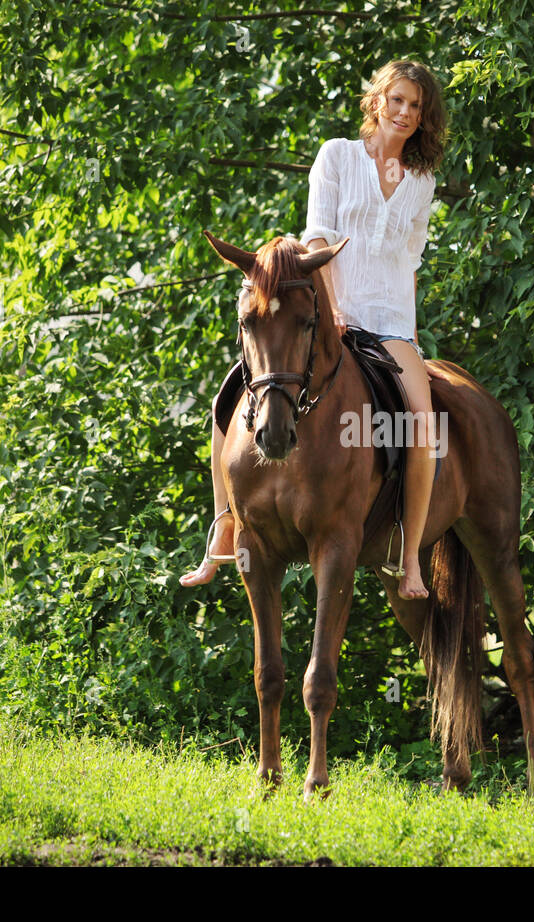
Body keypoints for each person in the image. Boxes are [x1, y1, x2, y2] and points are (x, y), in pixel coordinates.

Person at [182, 60, 446, 600]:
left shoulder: (421, 183)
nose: (405, 113)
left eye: (416, 106)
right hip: (327, 313)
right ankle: (224, 527)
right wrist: (332, 308)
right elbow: (317, 238)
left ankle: (410, 557)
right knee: (231, 396)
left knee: (421, 424)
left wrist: (411, 340)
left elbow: (410, 265)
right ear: (377, 101)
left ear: (423, 117)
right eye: (397, 100)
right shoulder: (337, 156)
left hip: (391, 321)